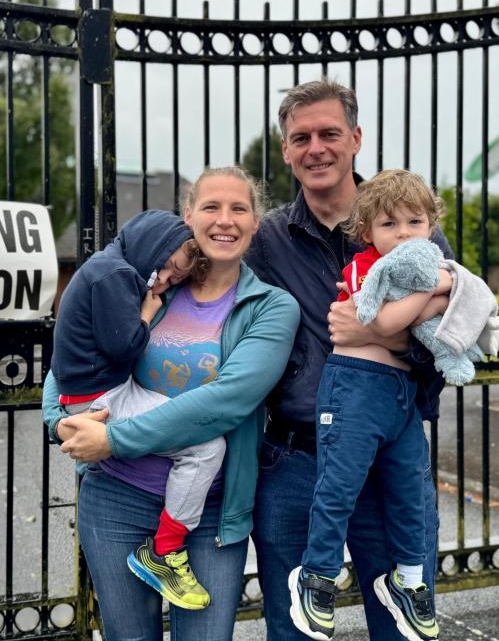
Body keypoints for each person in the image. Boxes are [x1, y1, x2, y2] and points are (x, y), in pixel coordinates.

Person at [43, 166, 300, 641]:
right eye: (211, 207)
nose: (225, 220)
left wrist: (112, 438)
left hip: (210, 510)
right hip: (117, 496)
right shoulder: (156, 283)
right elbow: (72, 358)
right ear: (188, 217)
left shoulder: (271, 307)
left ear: (255, 222)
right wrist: (58, 420)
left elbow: (226, 402)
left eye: (239, 208)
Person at [243, 78, 453, 641]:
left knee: (404, 628)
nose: (316, 149)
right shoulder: (266, 241)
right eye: (301, 138)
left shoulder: (411, 228)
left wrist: (381, 336)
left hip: (387, 457)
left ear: (356, 139)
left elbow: (453, 338)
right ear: (286, 150)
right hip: (295, 461)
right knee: (295, 630)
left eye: (329, 134)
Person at [288, 169, 451, 641]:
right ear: (367, 232)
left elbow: (454, 313)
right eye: (389, 224)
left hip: (402, 397)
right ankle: (317, 576)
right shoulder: (367, 266)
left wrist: (437, 295)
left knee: (410, 494)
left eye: (415, 222)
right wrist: (433, 294)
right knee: (338, 486)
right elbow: (382, 322)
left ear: (431, 226)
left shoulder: (435, 265)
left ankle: (409, 581)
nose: (403, 234)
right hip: (356, 389)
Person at [49, 208, 226, 610]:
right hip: (101, 400)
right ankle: (164, 551)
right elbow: (123, 346)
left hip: (104, 392)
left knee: (190, 427)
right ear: (155, 245)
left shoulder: (111, 269)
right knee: (206, 447)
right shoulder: (114, 275)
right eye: (168, 267)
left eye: (175, 280)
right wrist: (147, 313)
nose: (163, 282)